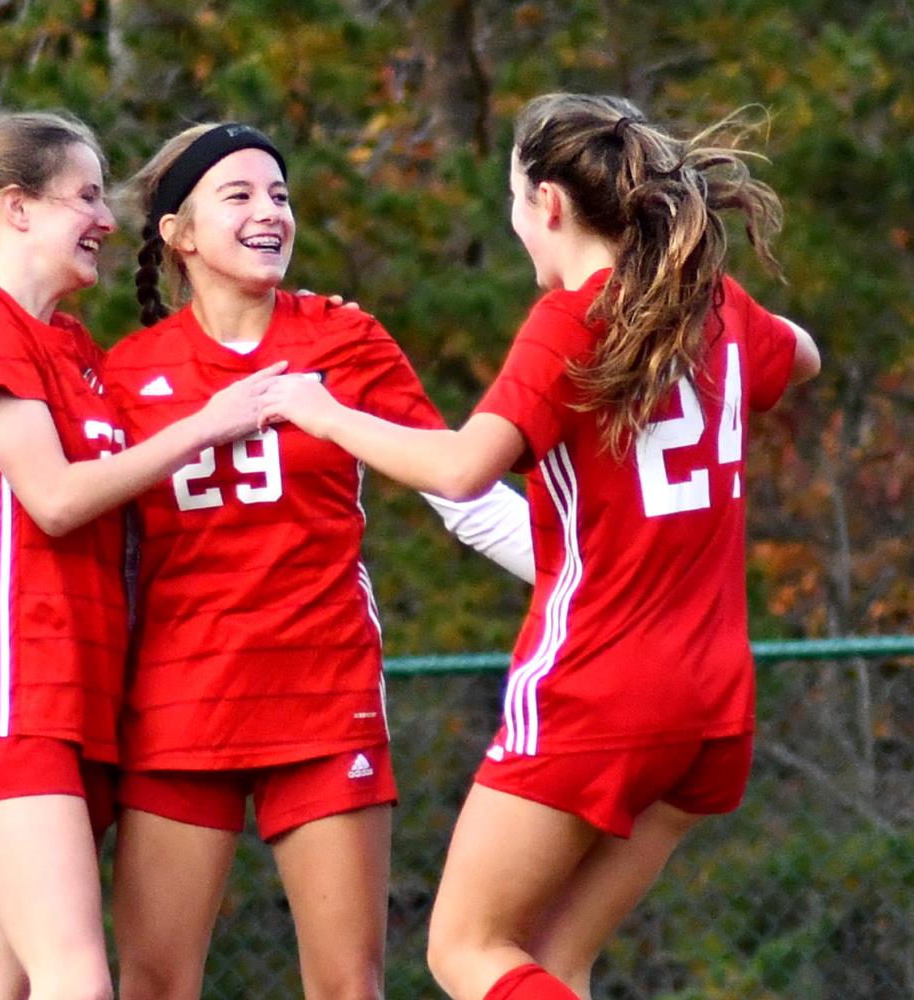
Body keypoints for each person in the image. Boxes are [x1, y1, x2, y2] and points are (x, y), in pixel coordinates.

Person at [258, 92, 821, 1000]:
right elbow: (800, 359)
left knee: (467, 950)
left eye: (514, 200)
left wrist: (322, 411)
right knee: (553, 965)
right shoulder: (711, 301)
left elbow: (460, 471)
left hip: (597, 688)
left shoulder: (573, 319)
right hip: (714, 700)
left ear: (548, 205)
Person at [100, 122, 536, 1000]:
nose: (271, 212)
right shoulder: (126, 372)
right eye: (241, 195)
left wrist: (600, 580)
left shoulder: (343, 336)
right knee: (151, 984)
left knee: (347, 986)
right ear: (179, 234)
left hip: (321, 691)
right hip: (182, 703)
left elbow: (464, 495)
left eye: (281, 195)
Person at [0, 111, 280, 1000]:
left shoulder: (68, 343)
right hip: (11, 695)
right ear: (18, 207)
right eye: (85, 196)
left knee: (10, 984)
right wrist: (208, 426)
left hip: (83, 691)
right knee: (79, 976)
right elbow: (57, 497)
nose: (108, 218)